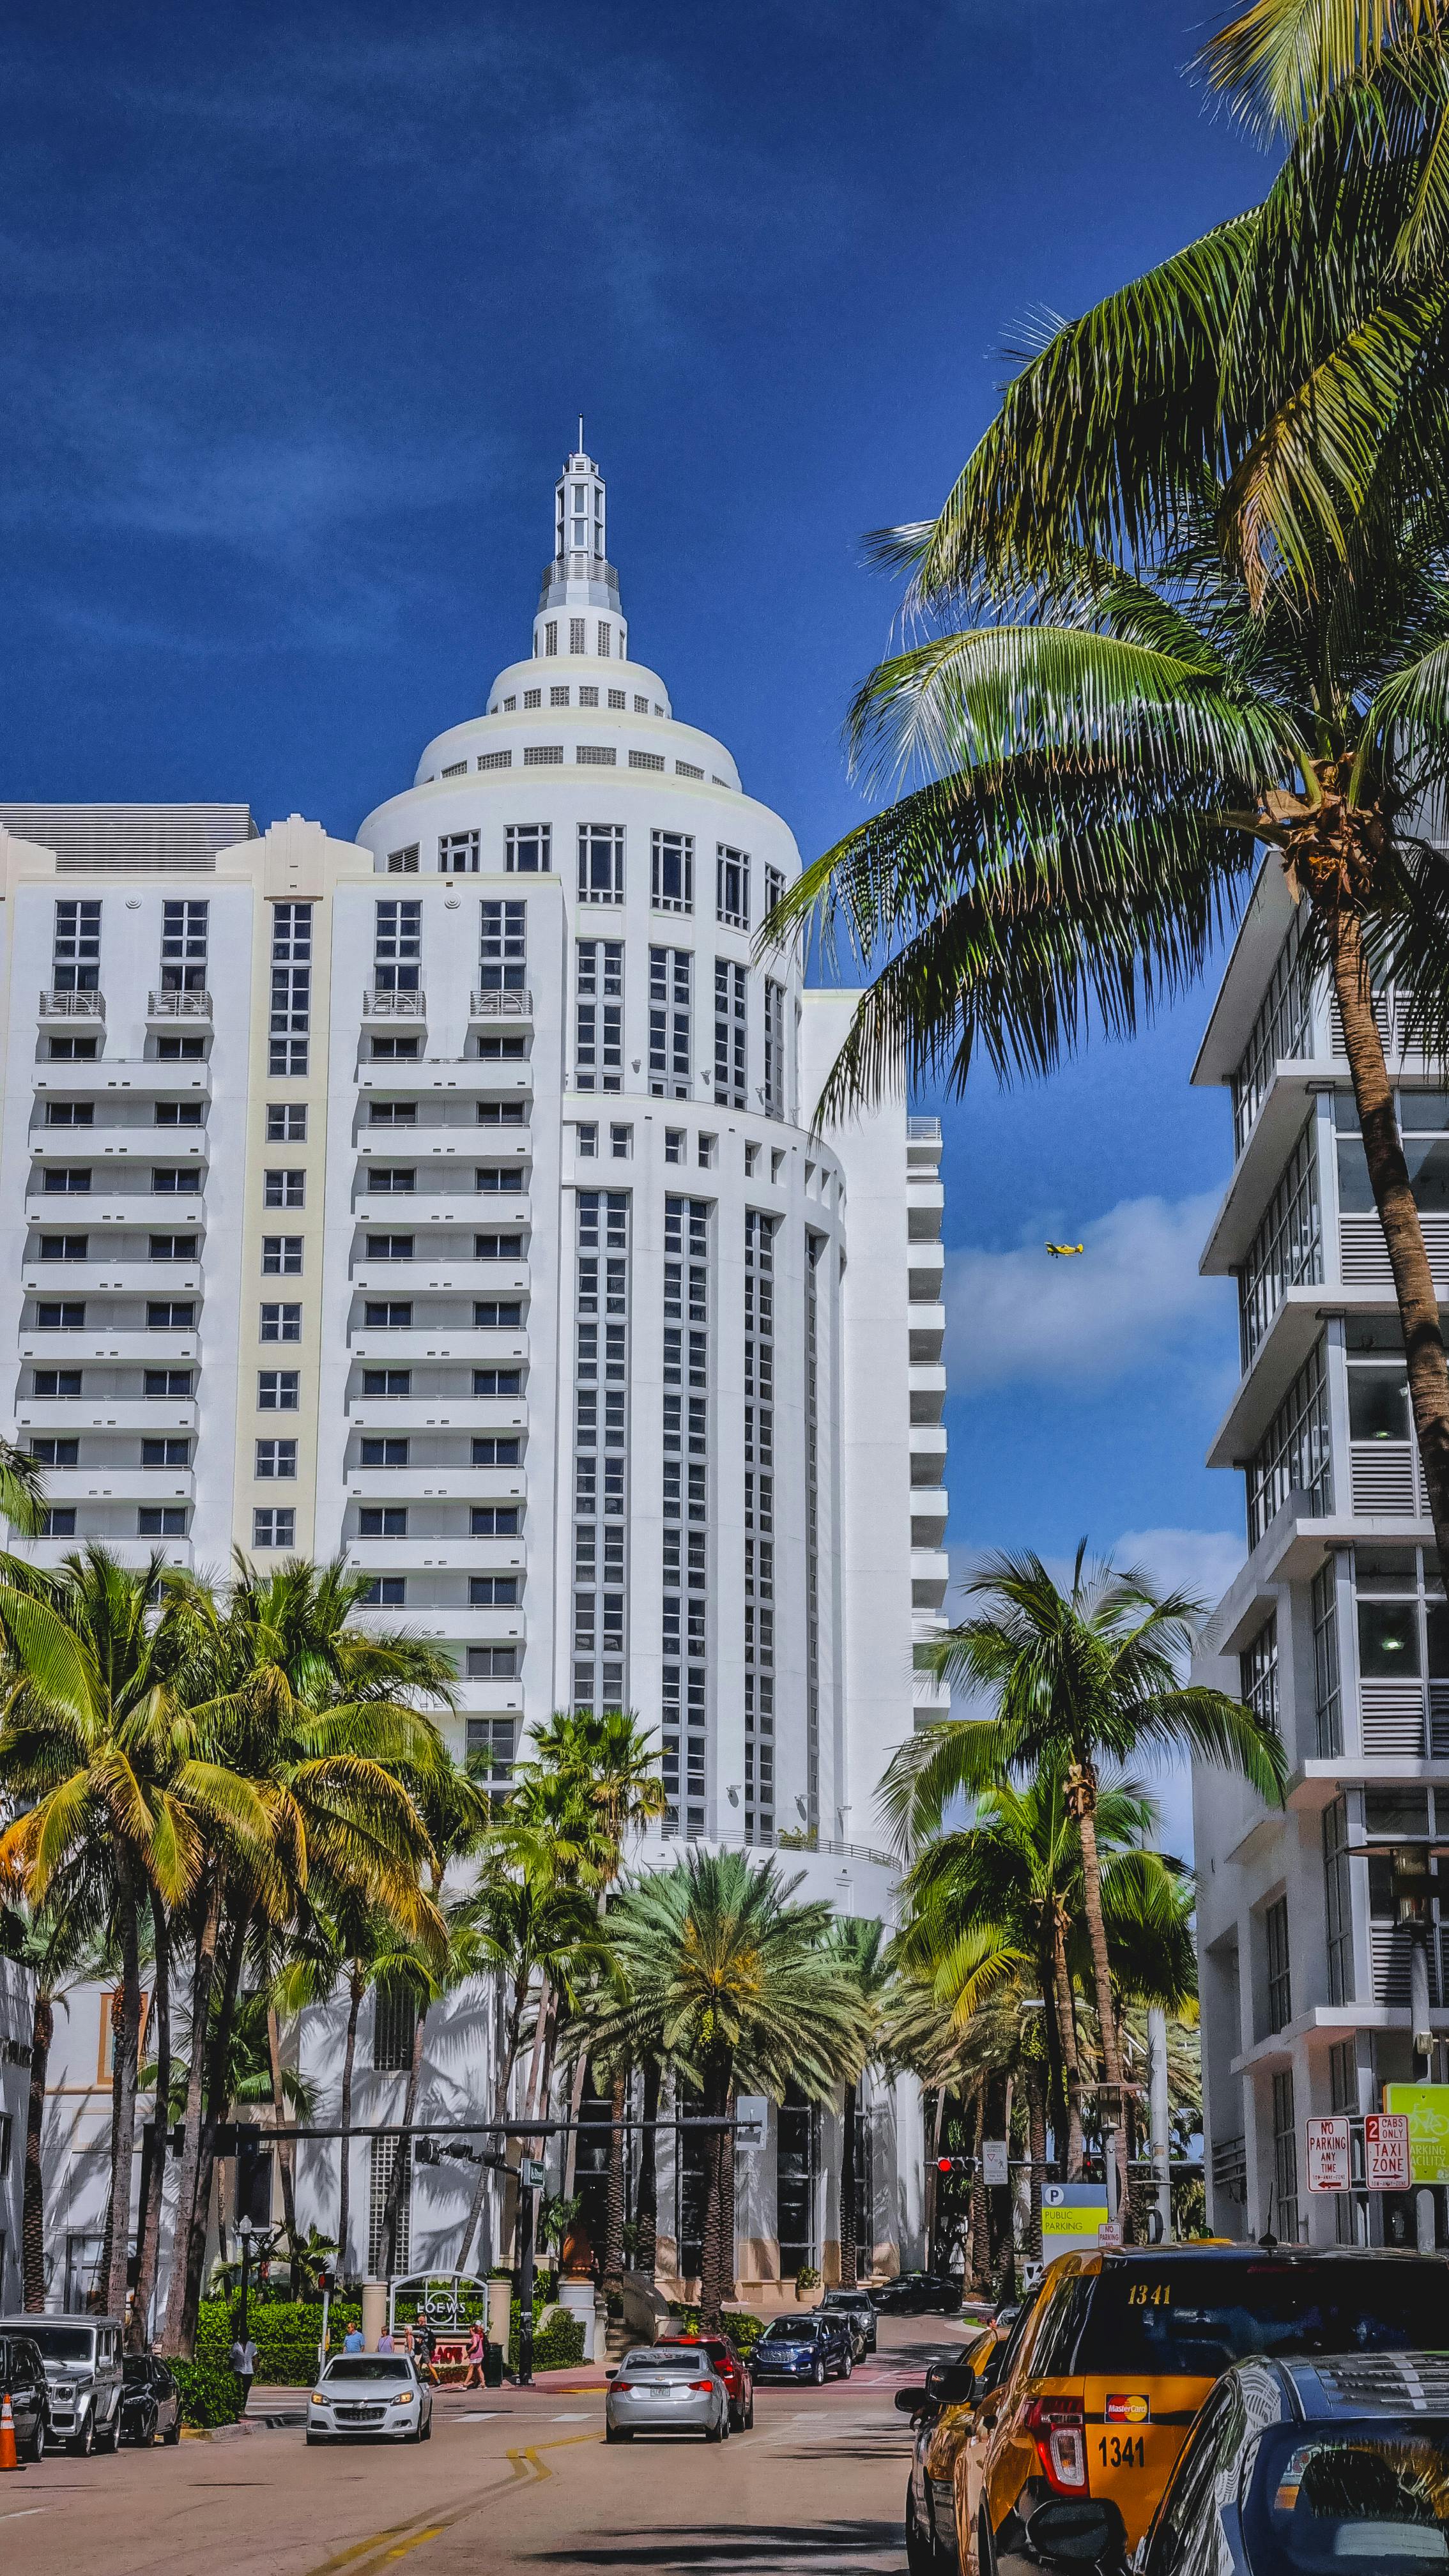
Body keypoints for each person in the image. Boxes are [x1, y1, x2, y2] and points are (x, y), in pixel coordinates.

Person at [230, 2333, 257, 2417]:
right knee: (238, 2390)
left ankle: (243, 2408)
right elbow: (232, 2358)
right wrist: (230, 2369)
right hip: (238, 2370)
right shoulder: (235, 2346)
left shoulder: (252, 2345)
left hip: (248, 2371)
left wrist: (256, 2367)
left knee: (245, 2391)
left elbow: (255, 2357)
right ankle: (237, 2408)